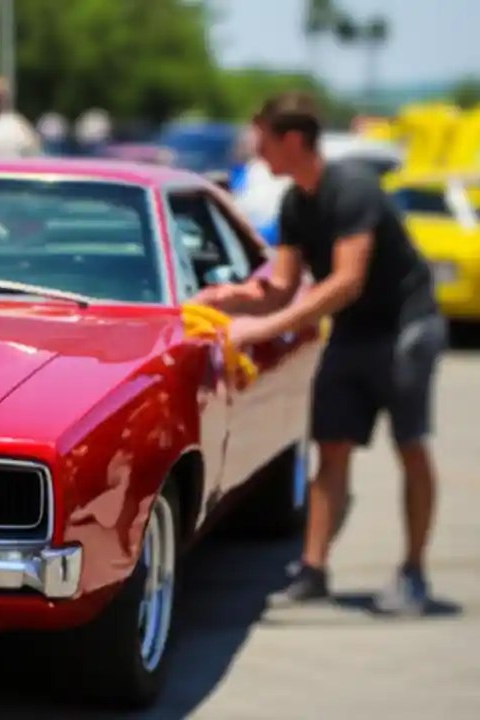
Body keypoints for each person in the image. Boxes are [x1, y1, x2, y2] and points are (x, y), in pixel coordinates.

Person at [196, 91, 446, 614]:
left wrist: (263, 329)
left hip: (406, 327)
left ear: (290, 139)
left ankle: (414, 571)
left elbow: (346, 282)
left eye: (261, 139)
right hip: (354, 332)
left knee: (410, 446)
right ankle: (313, 571)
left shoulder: (352, 188)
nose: (255, 151)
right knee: (330, 448)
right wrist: (231, 298)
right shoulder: (295, 202)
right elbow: (283, 286)